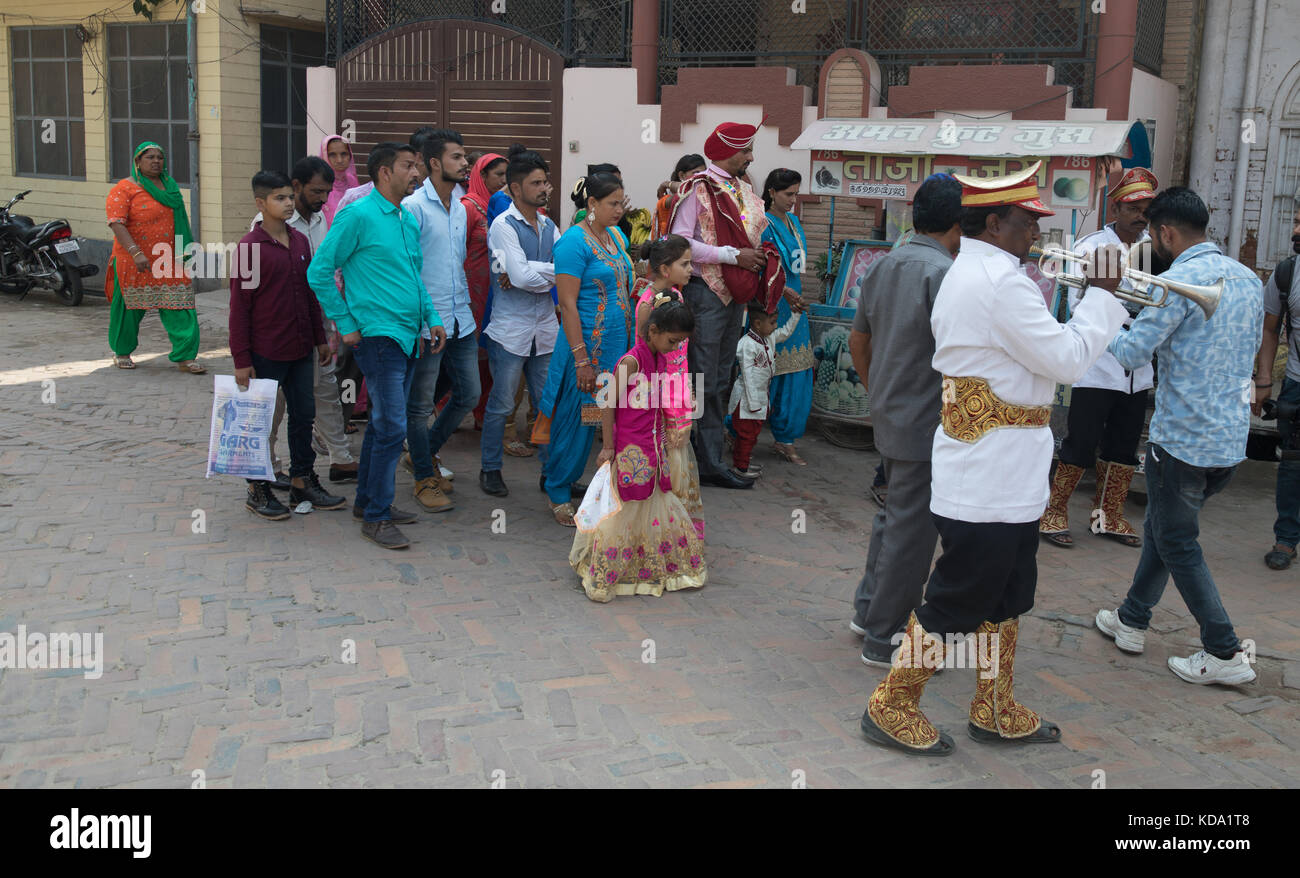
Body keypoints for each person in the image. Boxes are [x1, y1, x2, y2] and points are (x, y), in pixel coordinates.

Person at [861, 163, 1129, 756]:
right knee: (960, 596)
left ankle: (995, 704)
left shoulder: (983, 272)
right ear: (991, 222)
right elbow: (1066, 361)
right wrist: (1103, 299)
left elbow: (1032, 357)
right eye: (1025, 220)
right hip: (989, 470)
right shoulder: (999, 282)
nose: (1036, 230)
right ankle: (892, 703)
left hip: (1004, 465)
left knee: (1009, 589)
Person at [1094, 187, 1263, 686]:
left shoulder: (1177, 283)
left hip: (1183, 441)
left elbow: (1129, 354)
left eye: (1153, 234)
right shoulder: (1250, 280)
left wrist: (1101, 310)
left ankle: (1223, 651)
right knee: (1165, 533)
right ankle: (1132, 619)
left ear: (1165, 232)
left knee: (1178, 542)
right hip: (1230, 440)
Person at [847, 173, 963, 665]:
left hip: (893, 412)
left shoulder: (885, 264)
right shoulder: (943, 274)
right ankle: (884, 634)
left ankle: (869, 610)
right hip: (923, 420)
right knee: (912, 535)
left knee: (893, 519)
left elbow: (859, 340)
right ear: (958, 224)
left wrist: (878, 392)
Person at [308, 142, 447, 549]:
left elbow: (414, 277)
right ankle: (376, 515)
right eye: (408, 166)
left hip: (408, 334)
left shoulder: (405, 218)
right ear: (384, 172)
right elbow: (319, 272)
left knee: (386, 425)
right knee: (391, 426)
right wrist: (346, 323)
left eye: (417, 165)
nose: (416, 173)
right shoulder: (358, 213)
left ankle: (367, 501)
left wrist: (433, 318)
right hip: (377, 336)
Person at [672, 121, 801, 489]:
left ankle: (707, 460)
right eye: (745, 150)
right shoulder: (697, 188)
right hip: (705, 290)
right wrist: (732, 256)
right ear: (727, 151)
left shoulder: (743, 189)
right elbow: (680, 244)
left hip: (735, 294)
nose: (751, 156)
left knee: (719, 378)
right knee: (700, 380)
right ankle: (692, 461)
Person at [1042, 168, 1158, 548]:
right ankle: (1054, 512)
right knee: (1081, 440)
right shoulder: (1090, 246)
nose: (1141, 215)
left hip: (1137, 368)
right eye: (1133, 208)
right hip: (1098, 364)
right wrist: (1122, 312)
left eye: (1146, 209)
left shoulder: (1153, 250)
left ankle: (1107, 516)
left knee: (1124, 445)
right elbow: (1077, 306)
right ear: (1116, 207)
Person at [569, 297, 707, 602]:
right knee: (625, 509)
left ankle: (643, 565)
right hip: (630, 450)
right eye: (672, 341)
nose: (674, 348)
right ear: (653, 330)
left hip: (652, 447)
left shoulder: (659, 357)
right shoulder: (631, 362)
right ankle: (610, 570)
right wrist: (607, 447)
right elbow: (607, 403)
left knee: (652, 503)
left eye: (679, 343)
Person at [231, 171, 346, 519]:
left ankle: (302, 481)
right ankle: (258, 488)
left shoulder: (299, 241)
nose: (286, 203)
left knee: (303, 416)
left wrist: (319, 338)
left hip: (301, 349)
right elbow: (239, 307)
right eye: (278, 198)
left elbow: (311, 294)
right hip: (265, 351)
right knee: (260, 422)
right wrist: (241, 358)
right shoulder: (250, 248)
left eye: (287, 197)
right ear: (260, 203)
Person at [251, 156, 360, 487]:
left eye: (327, 192)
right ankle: (267, 469)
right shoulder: (262, 229)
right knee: (275, 405)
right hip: (276, 334)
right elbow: (246, 299)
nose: (323, 199)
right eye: (316, 191)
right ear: (295, 187)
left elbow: (321, 278)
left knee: (324, 395)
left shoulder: (319, 221)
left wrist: (324, 330)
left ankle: (339, 460)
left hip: (315, 327)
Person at [537, 173, 635, 526]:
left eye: (622, 203)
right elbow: (567, 304)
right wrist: (581, 360)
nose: (619, 210)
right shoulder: (572, 244)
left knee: (601, 419)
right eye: (612, 203)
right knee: (578, 420)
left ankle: (574, 478)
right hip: (587, 352)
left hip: (615, 349)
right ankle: (559, 491)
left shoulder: (616, 237)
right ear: (591, 204)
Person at [400, 129, 479, 514]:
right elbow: (410, 270)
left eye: (465, 158)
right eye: (456, 157)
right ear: (434, 163)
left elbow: (455, 265)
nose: (465, 163)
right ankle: (423, 480)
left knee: (468, 393)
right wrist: (424, 317)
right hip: (428, 322)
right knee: (419, 406)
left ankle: (422, 452)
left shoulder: (462, 208)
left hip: (460, 318)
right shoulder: (414, 208)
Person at [480, 149, 561, 496]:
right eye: (537, 183)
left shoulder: (549, 224)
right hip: (510, 329)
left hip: (544, 328)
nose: (545, 188)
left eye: (545, 182)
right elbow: (520, 276)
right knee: (500, 403)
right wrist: (538, 273)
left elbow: (565, 271)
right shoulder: (502, 225)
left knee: (546, 402)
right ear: (515, 187)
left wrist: (530, 271)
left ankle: (551, 473)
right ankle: (490, 468)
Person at [105, 141, 204, 373]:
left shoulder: (170, 187)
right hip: (133, 260)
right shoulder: (124, 188)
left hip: (168, 258)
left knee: (180, 305)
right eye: (149, 157)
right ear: (138, 162)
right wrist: (136, 253)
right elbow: (116, 223)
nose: (156, 161)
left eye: (160, 157)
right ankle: (122, 352)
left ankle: (185, 357)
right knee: (129, 308)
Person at [633, 234, 703, 537]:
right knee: (664, 453)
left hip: (677, 387)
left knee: (679, 455)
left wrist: (686, 389)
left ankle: (673, 525)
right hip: (658, 391)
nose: (690, 269)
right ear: (664, 268)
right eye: (684, 264)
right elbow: (646, 355)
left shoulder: (677, 295)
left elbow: (681, 354)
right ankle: (658, 526)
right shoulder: (648, 305)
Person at [1252, 205, 1300, 569]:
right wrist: (1264, 381)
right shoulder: (1287, 273)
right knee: (1292, 463)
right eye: (1295, 220)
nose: (1296, 228)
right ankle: (1285, 539)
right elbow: (1269, 330)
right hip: (1296, 386)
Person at [760, 168, 815, 466]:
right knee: (760, 371)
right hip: (772, 302)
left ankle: (785, 438)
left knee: (797, 371)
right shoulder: (762, 224)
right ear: (771, 192)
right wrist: (783, 293)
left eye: (796, 193)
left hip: (796, 300)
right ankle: (739, 431)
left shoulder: (793, 222)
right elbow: (762, 268)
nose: (793, 200)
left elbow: (797, 264)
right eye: (788, 194)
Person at [729, 302, 801, 480]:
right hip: (747, 399)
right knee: (745, 435)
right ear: (758, 324)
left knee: (752, 436)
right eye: (773, 322)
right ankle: (740, 467)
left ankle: (743, 463)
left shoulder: (768, 338)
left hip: (759, 398)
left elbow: (785, 332)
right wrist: (754, 404)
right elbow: (747, 376)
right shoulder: (746, 345)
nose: (776, 326)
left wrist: (796, 315)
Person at [462, 151, 507, 431]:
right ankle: (446, 407)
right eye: (498, 175)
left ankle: (483, 413)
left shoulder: (501, 206)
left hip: (494, 291)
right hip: (470, 292)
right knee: (466, 352)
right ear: (481, 176)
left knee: (490, 353)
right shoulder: (467, 207)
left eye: (506, 174)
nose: (504, 180)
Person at [652, 154, 706, 239]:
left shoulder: (702, 195)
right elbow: (688, 190)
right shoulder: (667, 200)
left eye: (704, 172)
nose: (701, 177)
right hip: (671, 248)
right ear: (681, 175)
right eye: (696, 173)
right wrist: (668, 184)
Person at [320, 135, 358, 226]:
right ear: (324, 155)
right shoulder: (319, 184)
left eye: (344, 154)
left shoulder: (352, 181)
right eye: (333, 155)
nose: (339, 160)